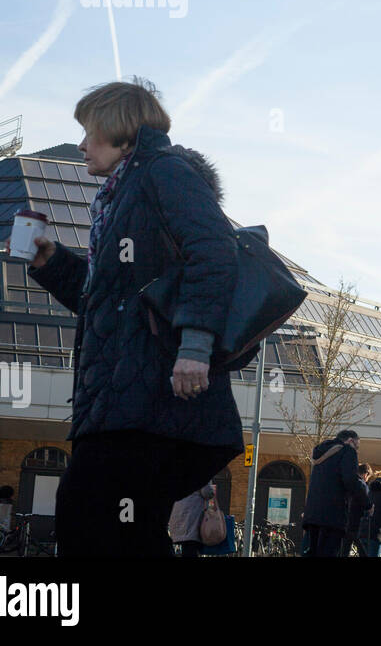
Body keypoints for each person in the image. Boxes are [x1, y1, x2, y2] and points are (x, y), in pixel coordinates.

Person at [27, 79, 244, 556]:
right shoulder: (120, 195)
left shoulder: (163, 173)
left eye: (89, 132)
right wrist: (52, 262)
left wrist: (194, 347)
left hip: (154, 401)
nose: (82, 144)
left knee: (91, 515)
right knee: (125, 528)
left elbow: (214, 252)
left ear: (119, 128)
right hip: (126, 401)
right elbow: (107, 304)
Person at [303, 431, 365, 557]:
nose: (357, 448)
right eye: (357, 444)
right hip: (333, 514)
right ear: (350, 440)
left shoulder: (320, 452)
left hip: (312, 515)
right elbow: (350, 480)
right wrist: (367, 503)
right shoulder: (348, 451)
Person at [168, 482, 216, 557]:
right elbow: (207, 492)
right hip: (191, 517)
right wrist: (212, 491)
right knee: (190, 548)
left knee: (187, 547)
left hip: (178, 513)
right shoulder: (199, 472)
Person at [344, 463, 374, 556]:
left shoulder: (349, 482)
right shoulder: (361, 484)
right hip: (357, 520)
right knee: (361, 547)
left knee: (344, 547)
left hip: (345, 519)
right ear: (366, 474)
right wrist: (370, 507)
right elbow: (365, 500)